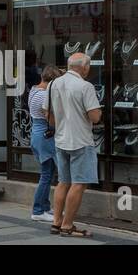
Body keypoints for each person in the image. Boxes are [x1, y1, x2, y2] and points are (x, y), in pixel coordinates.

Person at [47, 52, 103, 238]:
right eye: (89, 66)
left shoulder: (54, 83)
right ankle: (68, 225)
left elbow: (48, 114)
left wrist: (62, 123)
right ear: (85, 67)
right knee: (79, 184)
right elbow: (95, 117)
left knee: (63, 182)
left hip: (61, 139)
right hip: (80, 140)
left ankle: (56, 222)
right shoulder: (85, 86)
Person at [28, 65, 62, 222]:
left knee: (47, 172)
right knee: (47, 174)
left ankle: (45, 207)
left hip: (37, 132)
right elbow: (50, 117)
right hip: (45, 135)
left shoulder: (34, 90)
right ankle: (38, 210)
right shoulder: (43, 95)